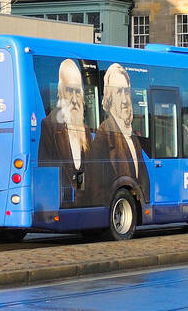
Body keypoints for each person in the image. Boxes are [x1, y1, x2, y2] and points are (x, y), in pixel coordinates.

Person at [85, 63, 151, 207]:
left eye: (126, 92)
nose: (124, 100)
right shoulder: (104, 135)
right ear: (109, 98)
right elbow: (96, 187)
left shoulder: (132, 136)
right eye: (118, 92)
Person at [38, 59, 91, 207]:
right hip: (60, 202)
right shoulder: (49, 125)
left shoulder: (85, 131)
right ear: (61, 92)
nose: (74, 99)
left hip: (82, 205)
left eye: (77, 91)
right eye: (69, 90)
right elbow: (46, 172)